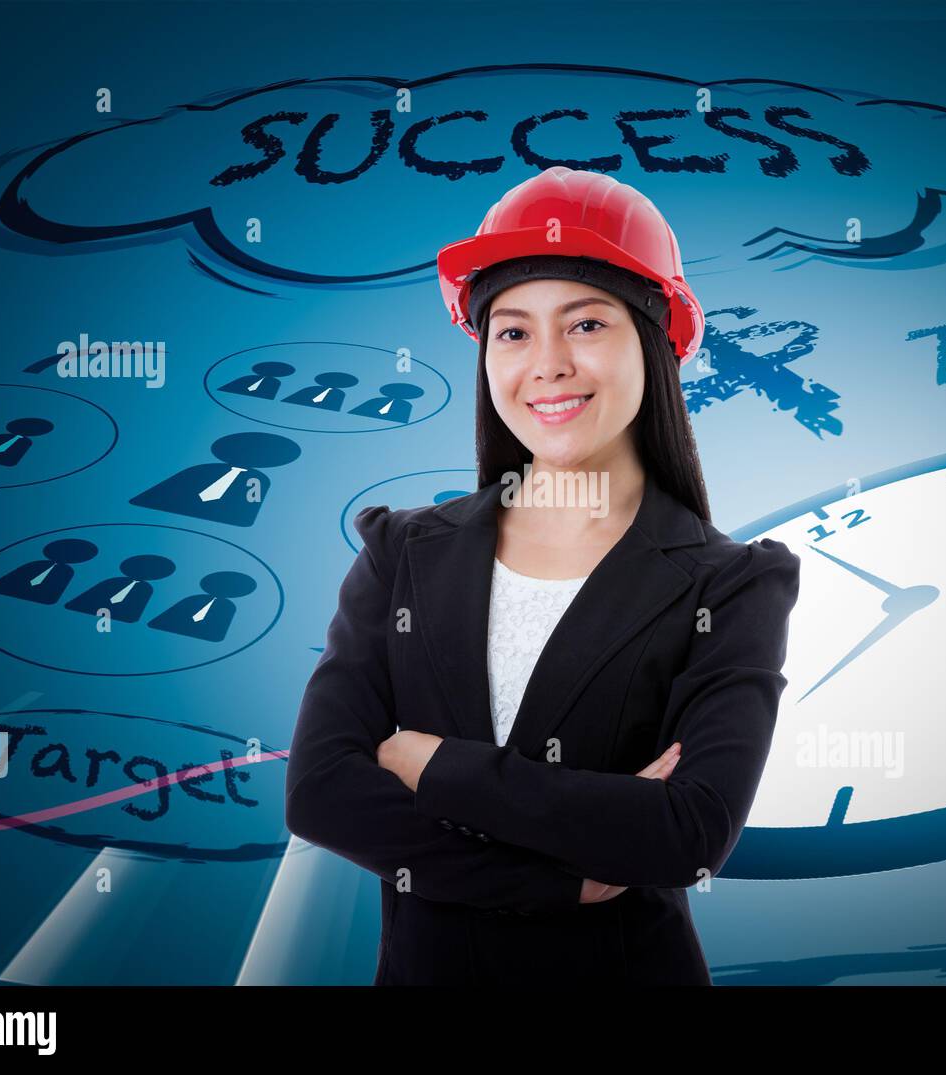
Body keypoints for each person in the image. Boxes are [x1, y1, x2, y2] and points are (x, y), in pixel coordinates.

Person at [285, 166, 801, 985]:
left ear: (656, 340)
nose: (548, 364)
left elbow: (687, 832)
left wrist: (433, 765)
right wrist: (563, 875)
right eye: (514, 332)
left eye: (586, 323)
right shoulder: (402, 554)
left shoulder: (729, 584)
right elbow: (320, 791)